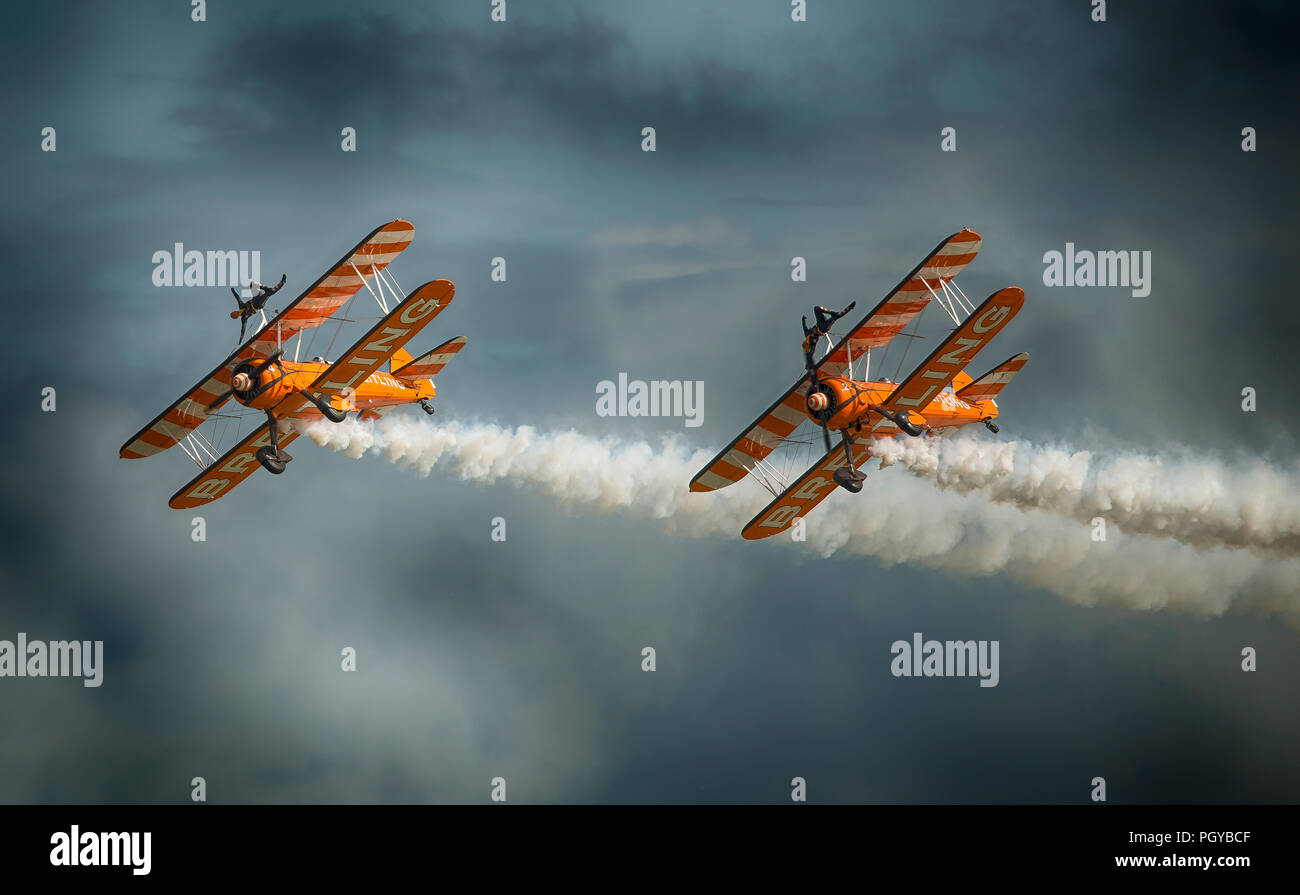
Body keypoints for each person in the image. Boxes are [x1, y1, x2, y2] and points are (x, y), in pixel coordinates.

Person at [230, 274, 287, 342]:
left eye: (233, 312)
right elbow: (243, 328)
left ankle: (264, 288)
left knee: (252, 284)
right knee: (270, 292)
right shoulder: (244, 317)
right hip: (259, 304)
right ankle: (282, 282)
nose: (235, 313)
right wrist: (241, 338)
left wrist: (233, 291)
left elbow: (238, 298)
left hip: (256, 298)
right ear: (236, 317)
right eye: (234, 315)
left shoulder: (241, 306)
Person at [801, 301, 856, 368]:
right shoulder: (812, 341)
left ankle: (832, 313)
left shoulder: (807, 334)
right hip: (823, 328)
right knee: (836, 316)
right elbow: (812, 351)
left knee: (816, 308)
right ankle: (849, 308)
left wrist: (803, 319)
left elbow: (804, 326)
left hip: (820, 323)